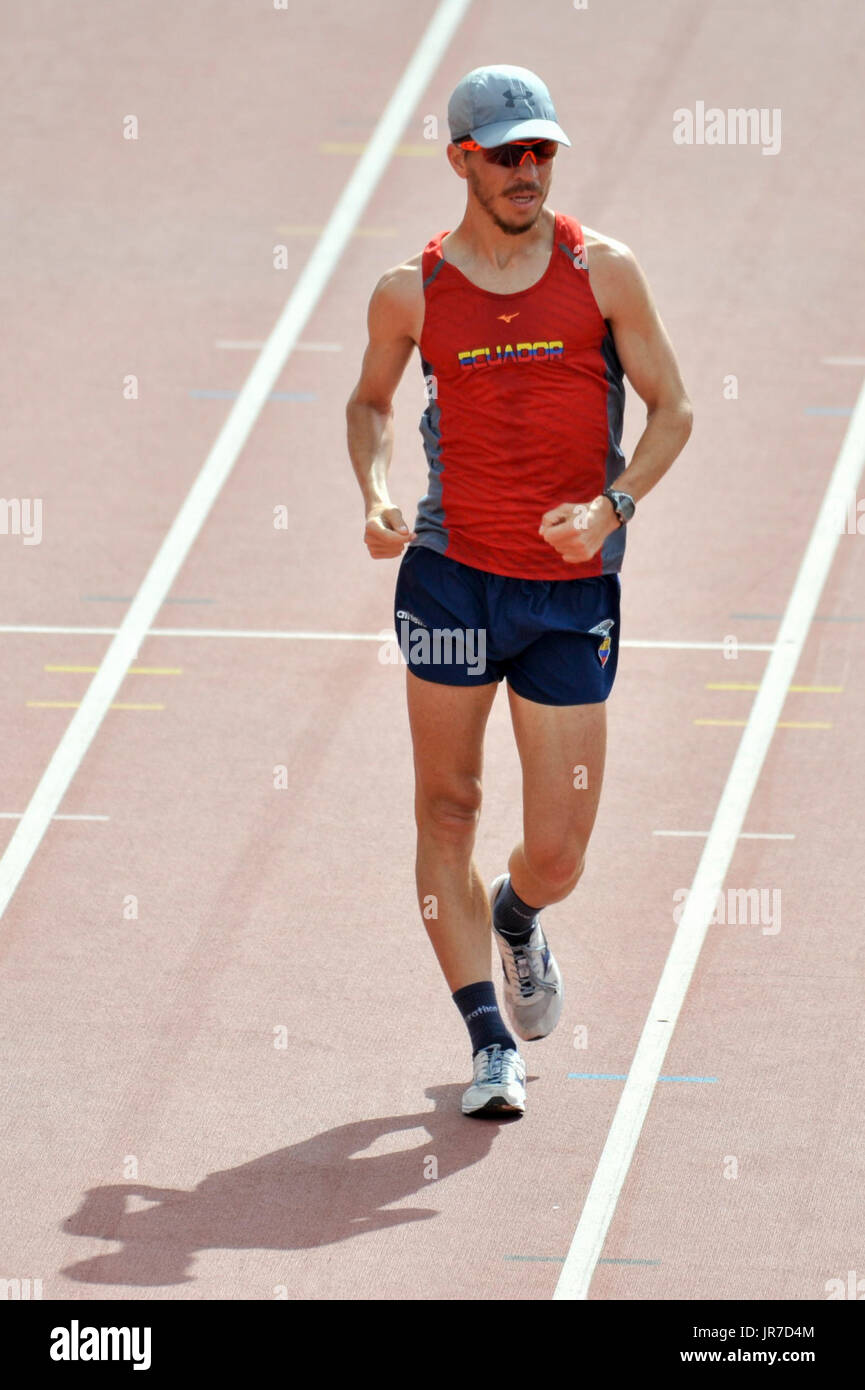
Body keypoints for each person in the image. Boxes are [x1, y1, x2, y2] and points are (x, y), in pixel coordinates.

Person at [346, 64, 692, 1117]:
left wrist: (611, 508)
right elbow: (367, 403)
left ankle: (516, 916)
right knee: (447, 804)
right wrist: (375, 494)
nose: (528, 169)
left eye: (541, 150)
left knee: (557, 848)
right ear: (461, 159)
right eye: (506, 153)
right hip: (450, 580)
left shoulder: (603, 273)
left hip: (567, 589)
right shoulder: (413, 290)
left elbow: (673, 409)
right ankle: (489, 1043)